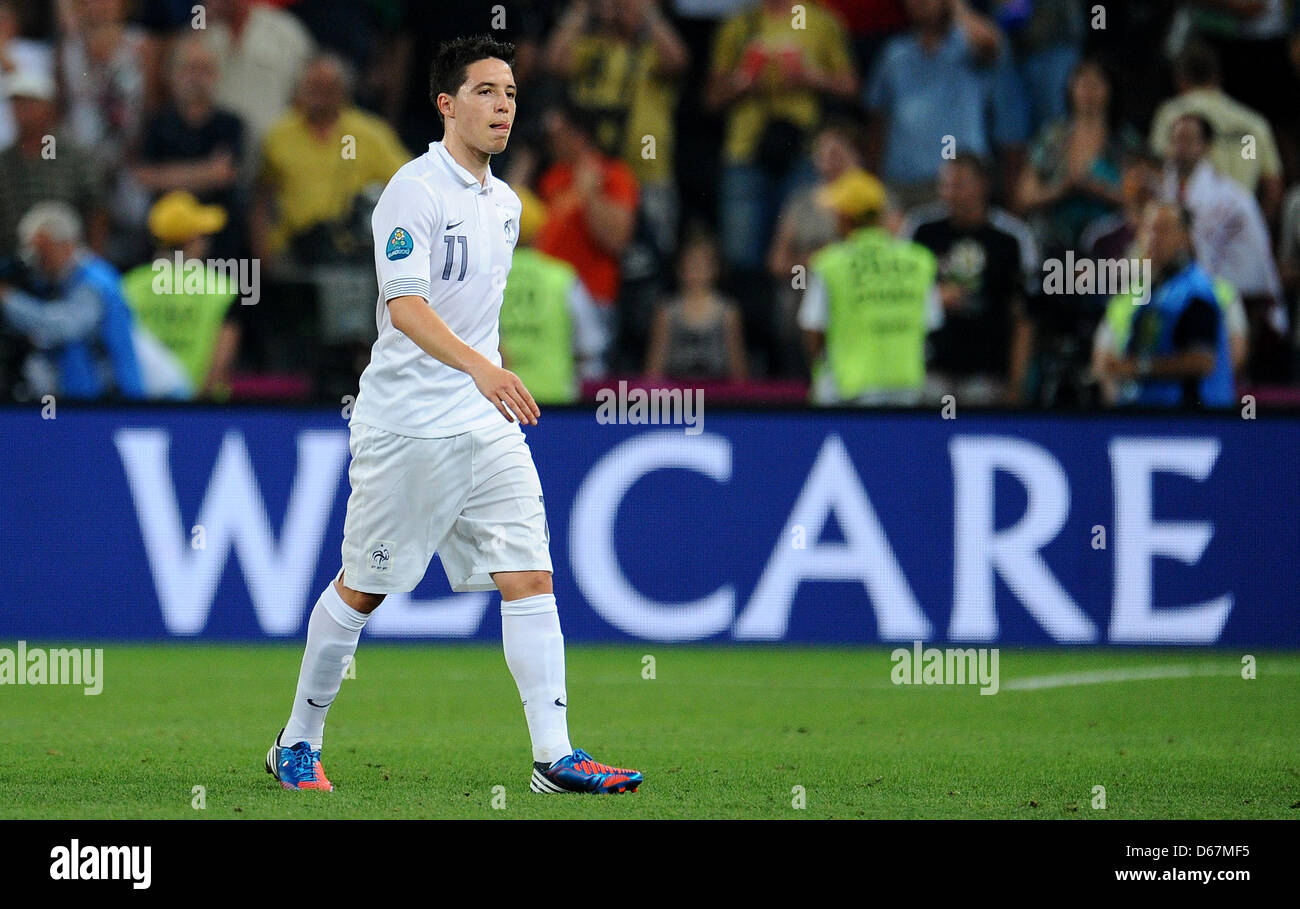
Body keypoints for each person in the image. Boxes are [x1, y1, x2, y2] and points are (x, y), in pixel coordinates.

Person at [267, 35, 642, 796]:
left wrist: (488, 373)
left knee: (529, 575)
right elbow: (406, 308)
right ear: (447, 104)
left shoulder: (506, 204)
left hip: (480, 423)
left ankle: (554, 757)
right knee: (363, 588)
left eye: (509, 91)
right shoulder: (414, 189)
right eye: (485, 91)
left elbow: (479, 318)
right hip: (406, 423)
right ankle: (296, 742)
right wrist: (483, 368)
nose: (503, 104)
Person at [1161, 112, 1287, 381]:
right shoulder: (1164, 189)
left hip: (1239, 294)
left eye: (1189, 140)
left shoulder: (1230, 198)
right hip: (1192, 291)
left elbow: (1188, 249)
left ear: (1206, 147)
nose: (1180, 147)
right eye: (1175, 140)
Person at [798, 168, 940, 405]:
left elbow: (813, 328)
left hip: (850, 390)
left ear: (846, 216)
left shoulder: (829, 264)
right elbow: (930, 321)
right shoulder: (920, 260)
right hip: (907, 387)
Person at [905, 153, 1037, 405]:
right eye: (945, 185)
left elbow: (1024, 315)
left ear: (983, 185)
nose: (949, 193)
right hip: (930, 369)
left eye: (959, 184)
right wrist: (933, 299)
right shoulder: (921, 230)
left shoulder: (1011, 238)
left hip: (987, 373)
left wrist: (1016, 382)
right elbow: (898, 297)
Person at [1095, 200, 1234, 409]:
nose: (1153, 238)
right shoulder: (1150, 291)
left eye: (1164, 230)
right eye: (1148, 229)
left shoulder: (1196, 291)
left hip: (1194, 421)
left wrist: (1138, 367)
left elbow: (1202, 361)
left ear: (1184, 238)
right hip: (1152, 415)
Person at [0, 200, 142, 400]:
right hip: (74, 402)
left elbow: (62, 326)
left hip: (113, 401)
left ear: (65, 246)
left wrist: (8, 299)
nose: (37, 262)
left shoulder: (95, 282)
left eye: (42, 252)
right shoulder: (54, 283)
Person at [120, 191, 242, 399]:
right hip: (202, 409)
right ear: (190, 240)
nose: (207, 241)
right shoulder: (222, 289)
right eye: (203, 234)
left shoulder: (128, 285)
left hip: (141, 406)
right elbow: (221, 361)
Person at [498, 186, 607, 402]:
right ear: (540, 230)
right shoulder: (561, 277)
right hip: (555, 402)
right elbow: (591, 344)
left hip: (498, 401)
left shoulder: (483, 278)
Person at [644, 229, 747, 381]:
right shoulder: (666, 311)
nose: (697, 271)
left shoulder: (727, 311)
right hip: (677, 396)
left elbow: (738, 368)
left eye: (702, 265)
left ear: (715, 268)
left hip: (719, 396)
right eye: (692, 265)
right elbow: (654, 368)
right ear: (680, 268)